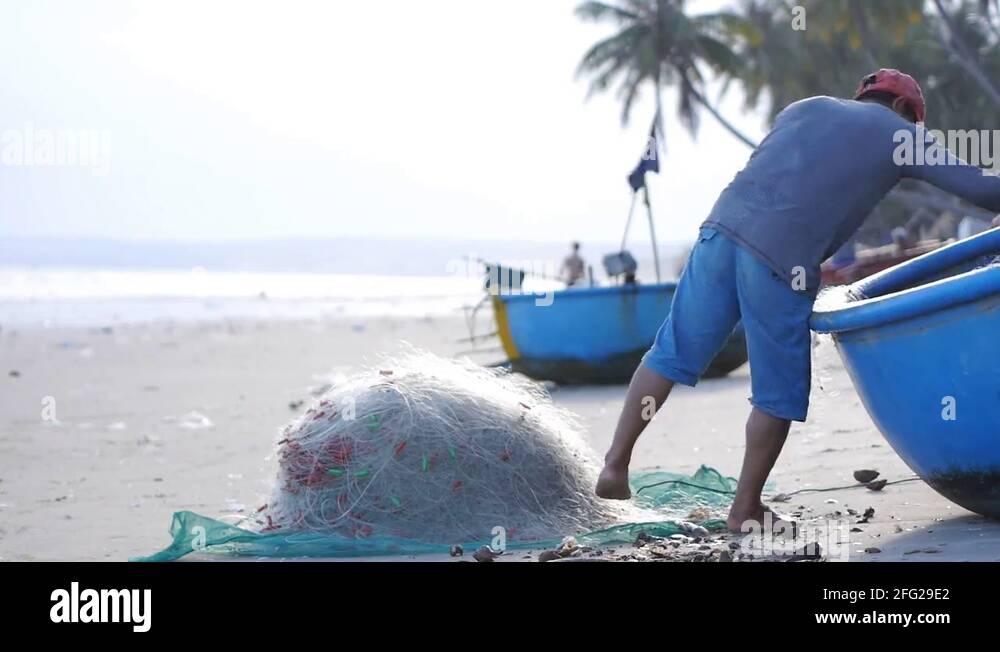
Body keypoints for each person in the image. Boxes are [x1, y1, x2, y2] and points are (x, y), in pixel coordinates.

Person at [595, 69, 1000, 534]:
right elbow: (985, 189)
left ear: (864, 96)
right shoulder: (900, 133)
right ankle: (745, 507)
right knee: (779, 392)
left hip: (718, 233)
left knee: (671, 353)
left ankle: (615, 465)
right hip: (779, 259)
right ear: (907, 111)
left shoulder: (803, 109)